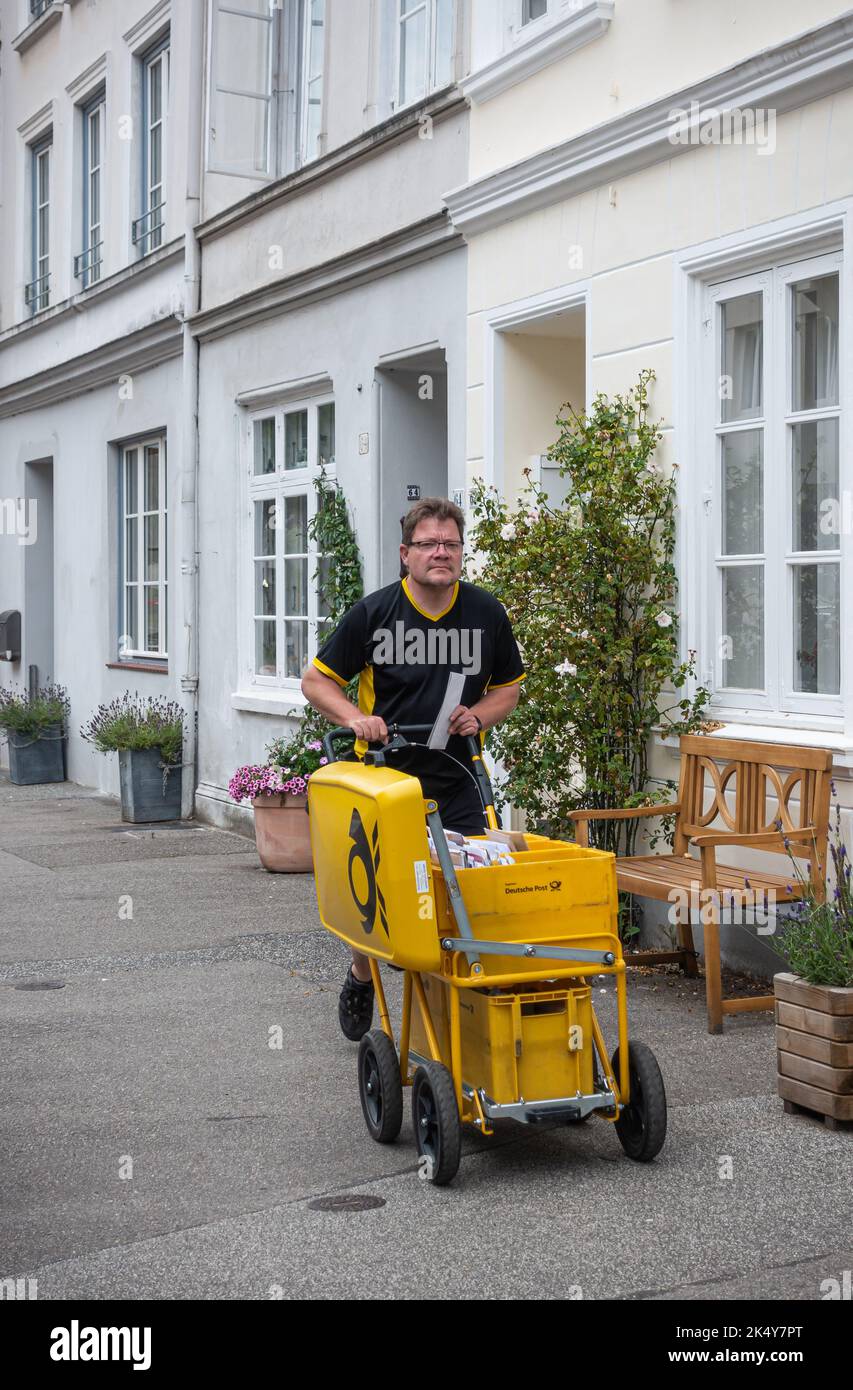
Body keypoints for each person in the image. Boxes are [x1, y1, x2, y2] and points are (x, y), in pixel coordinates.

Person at [301, 496, 524, 1040]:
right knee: (380, 893)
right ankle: (361, 972)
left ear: (462, 553)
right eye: (428, 544)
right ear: (406, 554)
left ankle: (465, 1003)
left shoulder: (486, 614)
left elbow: (509, 690)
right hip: (386, 780)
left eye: (450, 543)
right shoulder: (375, 614)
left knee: (473, 886)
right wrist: (358, 718)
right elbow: (316, 681)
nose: (440, 553)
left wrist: (480, 715)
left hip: (457, 774)